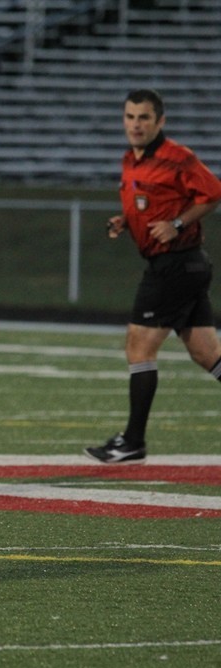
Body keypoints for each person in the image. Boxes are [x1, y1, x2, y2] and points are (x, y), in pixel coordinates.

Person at [85, 89, 221, 464]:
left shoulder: (177, 157)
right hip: (180, 265)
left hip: (175, 264)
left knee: (139, 346)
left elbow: (212, 194)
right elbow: (149, 203)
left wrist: (177, 224)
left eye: (144, 117)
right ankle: (132, 441)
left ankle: (133, 441)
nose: (136, 124)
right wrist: (127, 221)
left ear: (160, 121)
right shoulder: (131, 158)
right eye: (130, 117)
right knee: (207, 353)